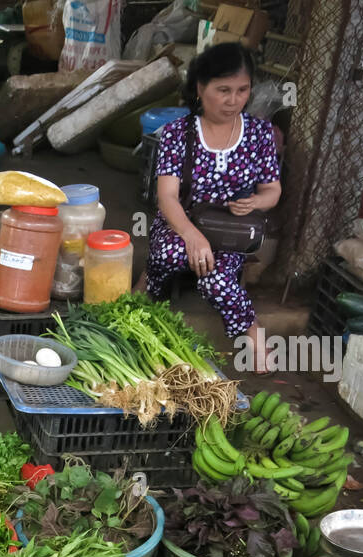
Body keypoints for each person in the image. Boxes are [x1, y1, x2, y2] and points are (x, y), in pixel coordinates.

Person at [140, 43, 282, 372]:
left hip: (229, 230)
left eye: (242, 90)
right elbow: (167, 197)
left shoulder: (259, 134)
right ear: (201, 88)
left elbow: (272, 190)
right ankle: (151, 287)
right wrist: (191, 235)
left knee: (214, 278)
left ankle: (253, 332)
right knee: (169, 254)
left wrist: (256, 202)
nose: (233, 100)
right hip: (180, 221)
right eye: (223, 90)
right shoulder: (177, 133)